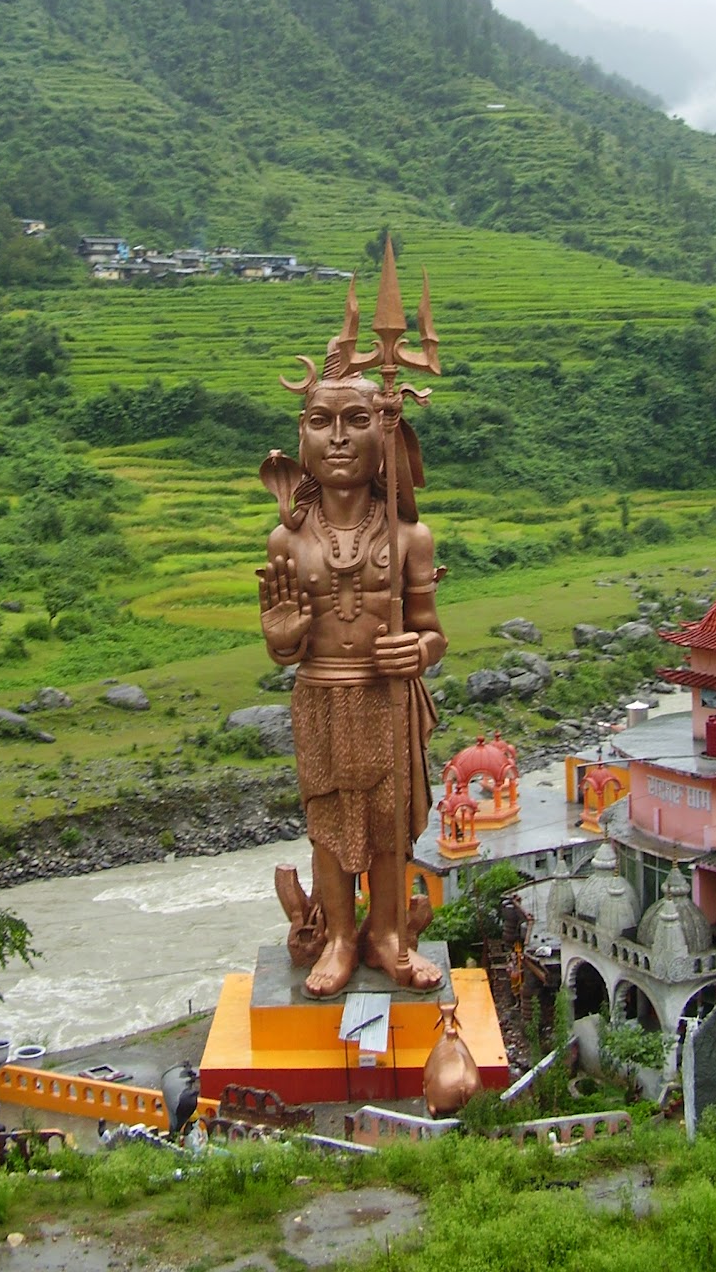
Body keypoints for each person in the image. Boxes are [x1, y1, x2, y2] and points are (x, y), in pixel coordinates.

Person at [259, 368, 446, 998]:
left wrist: (416, 652)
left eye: (357, 421)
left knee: (391, 819)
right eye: (321, 422)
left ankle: (387, 933)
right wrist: (283, 637)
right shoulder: (286, 540)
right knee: (329, 817)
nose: (339, 438)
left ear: (386, 437)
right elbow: (284, 650)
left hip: (385, 697)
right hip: (320, 695)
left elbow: (432, 631)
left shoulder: (409, 537)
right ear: (302, 445)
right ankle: (341, 936)